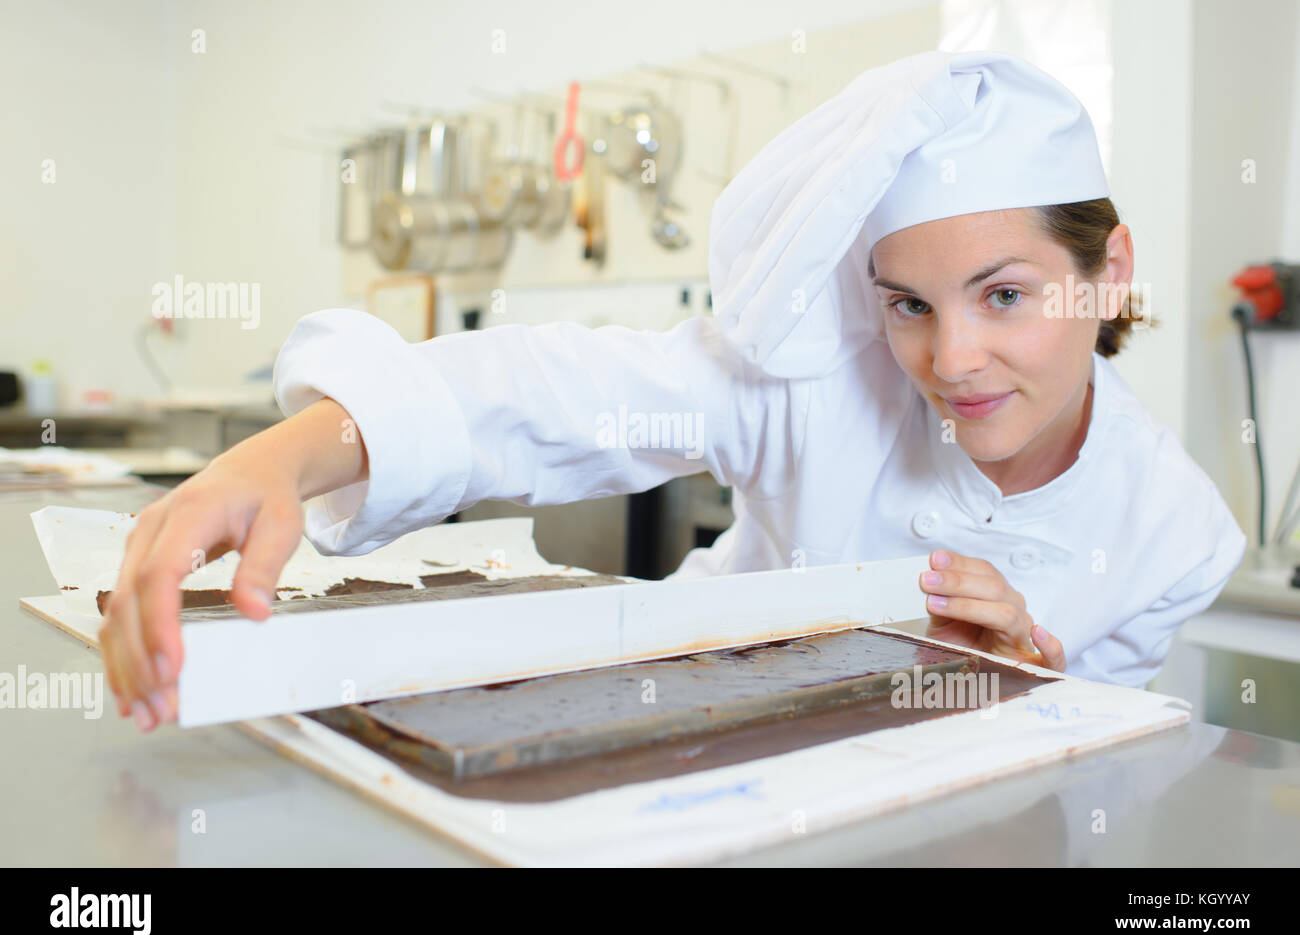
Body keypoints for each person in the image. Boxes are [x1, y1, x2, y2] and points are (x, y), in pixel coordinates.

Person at [100, 50, 1247, 731]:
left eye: (1003, 297)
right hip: (703, 745)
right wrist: (290, 453)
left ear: (1112, 274)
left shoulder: (1176, 529)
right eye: (908, 303)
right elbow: (564, 389)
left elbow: (1093, 771)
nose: (950, 361)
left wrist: (1031, 682)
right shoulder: (812, 386)